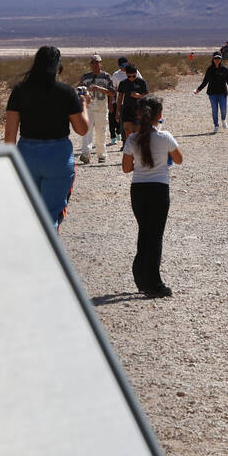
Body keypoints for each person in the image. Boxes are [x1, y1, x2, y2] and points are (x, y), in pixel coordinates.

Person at [4, 46, 90, 230]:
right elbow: (82, 129)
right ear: (58, 66)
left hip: (26, 154)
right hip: (57, 156)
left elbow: (10, 134)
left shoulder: (19, 90)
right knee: (50, 214)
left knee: (30, 212)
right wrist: (84, 105)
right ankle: (47, 255)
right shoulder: (66, 92)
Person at [122, 95, 182, 297]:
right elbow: (179, 160)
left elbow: (126, 168)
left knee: (144, 231)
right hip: (159, 188)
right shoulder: (165, 137)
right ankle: (154, 283)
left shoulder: (132, 139)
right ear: (160, 115)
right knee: (155, 236)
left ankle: (140, 277)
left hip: (138, 189)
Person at [78, 53, 114, 164]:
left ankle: (101, 155)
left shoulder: (106, 76)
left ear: (101, 63)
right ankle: (85, 154)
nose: (95, 65)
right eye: (92, 63)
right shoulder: (85, 77)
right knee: (87, 131)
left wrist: (99, 88)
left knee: (101, 132)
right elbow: (79, 91)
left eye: (97, 62)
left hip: (101, 109)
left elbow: (112, 92)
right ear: (90, 64)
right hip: (89, 108)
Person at [193, 52, 228, 132]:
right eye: (215, 58)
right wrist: (198, 89)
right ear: (213, 59)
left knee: (223, 109)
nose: (217, 60)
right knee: (214, 109)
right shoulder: (209, 69)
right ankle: (216, 125)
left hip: (222, 92)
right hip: (212, 93)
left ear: (221, 59)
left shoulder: (224, 69)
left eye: (219, 58)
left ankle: (223, 120)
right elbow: (205, 81)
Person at [116, 63, 148, 138]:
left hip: (139, 109)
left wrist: (139, 96)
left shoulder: (142, 82)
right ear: (126, 74)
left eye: (133, 76)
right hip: (127, 109)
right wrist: (117, 111)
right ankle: (128, 146)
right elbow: (120, 97)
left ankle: (137, 148)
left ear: (136, 73)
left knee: (137, 131)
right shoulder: (123, 83)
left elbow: (147, 96)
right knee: (127, 130)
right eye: (129, 76)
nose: (131, 78)